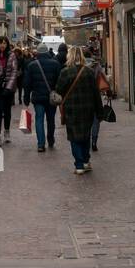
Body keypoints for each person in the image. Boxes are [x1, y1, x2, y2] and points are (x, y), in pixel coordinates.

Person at [56, 44, 103, 176]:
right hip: (88, 109)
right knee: (85, 135)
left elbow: (59, 91)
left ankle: (79, 165)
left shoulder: (65, 72)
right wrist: (100, 112)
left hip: (71, 109)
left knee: (74, 137)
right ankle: (86, 161)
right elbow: (96, 93)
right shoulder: (88, 72)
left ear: (69, 56)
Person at [23, 42, 61, 153]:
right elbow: (59, 81)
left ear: (38, 53)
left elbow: (27, 83)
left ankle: (40, 144)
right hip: (51, 97)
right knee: (51, 120)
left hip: (38, 97)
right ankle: (51, 139)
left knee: (39, 120)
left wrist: (26, 98)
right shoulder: (55, 64)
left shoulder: (32, 65)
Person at [0, 36, 18, 147]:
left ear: (7, 45)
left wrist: (8, 87)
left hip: (8, 88)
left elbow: (14, 72)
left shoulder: (12, 55)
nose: (2, 45)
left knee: (7, 111)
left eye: (4, 43)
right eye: (0, 43)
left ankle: (7, 132)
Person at [84, 48, 112, 153]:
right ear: (91, 55)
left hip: (83, 96)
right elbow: (103, 78)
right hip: (95, 95)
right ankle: (94, 142)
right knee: (95, 120)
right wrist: (109, 91)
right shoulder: (97, 65)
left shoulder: (79, 66)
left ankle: (86, 140)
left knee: (85, 120)